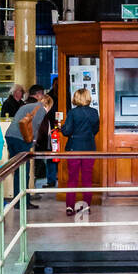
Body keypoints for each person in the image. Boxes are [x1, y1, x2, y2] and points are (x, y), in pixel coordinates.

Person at [61, 86, 99, 216]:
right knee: (87, 178)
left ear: (76, 98)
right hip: (89, 147)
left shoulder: (72, 113)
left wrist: (62, 128)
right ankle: (86, 206)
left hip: (74, 148)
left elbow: (67, 131)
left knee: (72, 178)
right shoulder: (94, 113)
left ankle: (70, 206)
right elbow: (95, 130)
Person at [4, 85, 45, 203]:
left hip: (11, 137)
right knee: (24, 171)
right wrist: (33, 141)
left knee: (18, 171)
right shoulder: (40, 108)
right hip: (21, 140)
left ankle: (19, 201)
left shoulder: (24, 105)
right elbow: (35, 127)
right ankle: (24, 202)